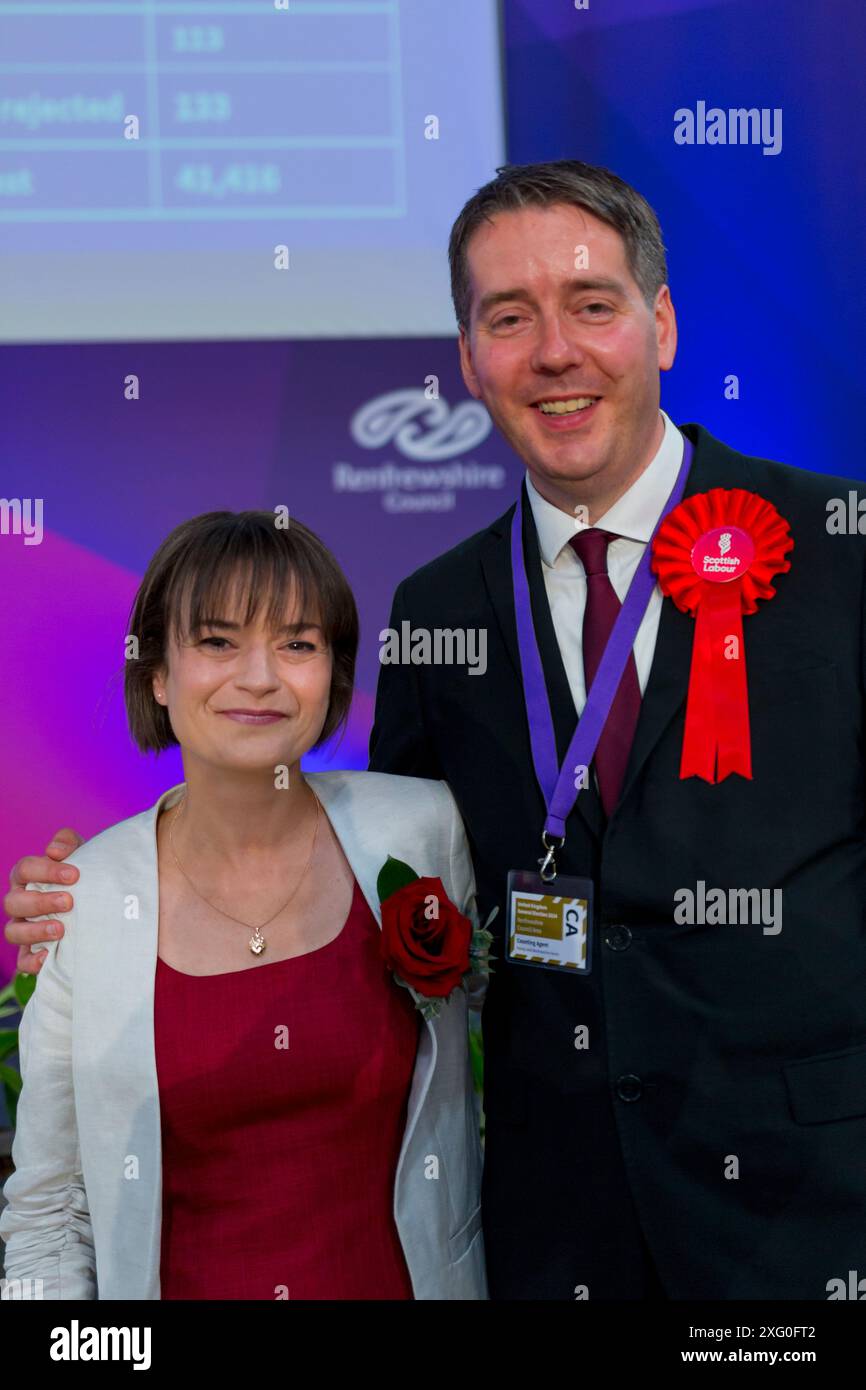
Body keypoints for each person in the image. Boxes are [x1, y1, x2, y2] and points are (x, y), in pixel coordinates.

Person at [7, 158, 866, 1301]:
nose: (553, 351)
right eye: (507, 319)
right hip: (557, 1236)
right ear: (467, 361)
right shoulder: (439, 607)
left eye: (590, 305)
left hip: (812, 1222)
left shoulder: (838, 547)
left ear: (659, 324)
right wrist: (97, 895)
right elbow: (394, 881)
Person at [0, 510, 487, 1300]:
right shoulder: (82, 901)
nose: (259, 677)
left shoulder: (425, 830)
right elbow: (51, 1212)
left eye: (298, 642)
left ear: (334, 672)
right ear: (156, 673)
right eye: (218, 642)